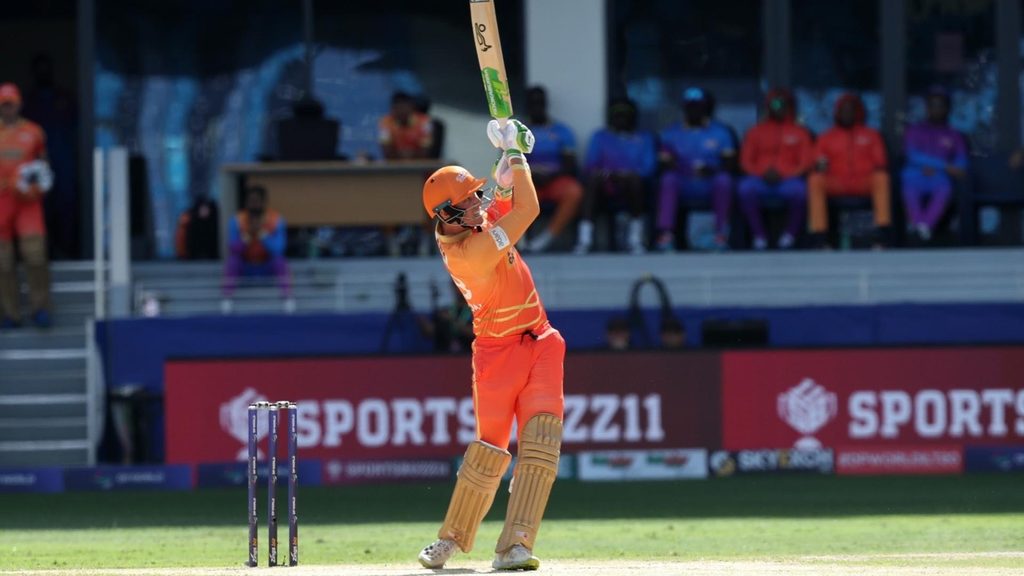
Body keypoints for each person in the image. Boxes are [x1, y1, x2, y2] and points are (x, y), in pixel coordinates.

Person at [417, 119, 565, 571]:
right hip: (497, 353)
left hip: (540, 341)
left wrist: (501, 171)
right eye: (469, 201)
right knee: (491, 448)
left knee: (540, 443)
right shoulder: (471, 253)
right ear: (447, 216)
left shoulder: (471, 225)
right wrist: (517, 156)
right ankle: (451, 540)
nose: (478, 204)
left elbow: (502, 205)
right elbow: (528, 211)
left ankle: (516, 545)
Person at [655, 87, 737, 251]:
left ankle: (721, 234)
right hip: (684, 182)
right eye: (690, 106)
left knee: (724, 180)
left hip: (709, 182)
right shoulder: (671, 132)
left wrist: (712, 169)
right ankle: (666, 235)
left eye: (698, 106)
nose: (694, 110)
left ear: (706, 107)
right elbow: (663, 162)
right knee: (668, 179)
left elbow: (730, 163)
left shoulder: (721, 132)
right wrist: (676, 165)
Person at [0, 82, 53, 329]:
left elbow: (44, 166)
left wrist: (39, 183)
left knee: (35, 256)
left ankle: (40, 309)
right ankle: (10, 314)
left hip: (27, 202)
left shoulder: (34, 132)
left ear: (19, 104)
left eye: (11, 104)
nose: (7, 108)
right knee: (3, 261)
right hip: (2, 201)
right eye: (3, 104)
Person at [808, 93, 891, 248]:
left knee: (881, 178)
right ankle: (820, 236)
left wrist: (867, 170)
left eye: (850, 110)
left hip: (863, 183)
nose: (847, 113)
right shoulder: (826, 137)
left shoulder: (871, 135)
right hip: (837, 183)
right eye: (843, 110)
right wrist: (820, 166)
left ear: (857, 112)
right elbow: (817, 161)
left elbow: (880, 161)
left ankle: (882, 232)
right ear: (837, 113)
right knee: (815, 179)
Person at [575, 98, 657, 254]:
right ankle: (584, 240)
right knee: (592, 180)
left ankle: (636, 239)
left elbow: (649, 168)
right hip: (607, 184)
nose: (622, 119)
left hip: (634, 186)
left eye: (626, 115)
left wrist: (627, 175)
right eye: (618, 115)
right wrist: (610, 174)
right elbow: (590, 165)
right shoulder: (600, 137)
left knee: (635, 181)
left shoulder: (645, 138)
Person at [737, 88, 814, 250]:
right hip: (760, 180)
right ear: (768, 106)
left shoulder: (800, 132)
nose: (778, 108)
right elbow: (745, 161)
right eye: (775, 104)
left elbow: (806, 162)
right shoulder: (755, 131)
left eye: (782, 104)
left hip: (788, 181)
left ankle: (790, 235)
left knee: (801, 191)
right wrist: (762, 173)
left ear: (789, 106)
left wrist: (783, 174)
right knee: (744, 188)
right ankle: (759, 236)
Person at [901, 86, 967, 243]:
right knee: (909, 184)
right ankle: (919, 225)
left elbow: (961, 161)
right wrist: (943, 165)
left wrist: (955, 168)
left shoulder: (954, 134)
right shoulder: (914, 130)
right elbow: (912, 155)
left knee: (944, 187)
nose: (936, 109)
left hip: (939, 177)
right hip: (916, 173)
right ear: (927, 107)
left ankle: (924, 227)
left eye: (940, 105)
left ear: (947, 108)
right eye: (932, 105)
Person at [521, 86, 583, 252]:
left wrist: (551, 175)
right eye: (532, 103)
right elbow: (508, 164)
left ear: (545, 104)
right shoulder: (517, 131)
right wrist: (530, 174)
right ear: (527, 105)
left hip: (555, 180)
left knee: (574, 191)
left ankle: (545, 239)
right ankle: (520, 240)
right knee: (508, 192)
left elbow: (571, 164)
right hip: (528, 182)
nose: (537, 106)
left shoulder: (562, 131)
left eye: (540, 102)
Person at [222, 186, 292, 312]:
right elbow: (233, 249)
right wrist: (248, 236)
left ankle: (287, 299)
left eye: (257, 201)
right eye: (251, 201)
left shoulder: (276, 219)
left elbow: (279, 249)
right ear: (246, 203)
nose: (254, 205)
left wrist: (262, 234)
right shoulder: (236, 220)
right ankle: (227, 299)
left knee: (280, 261)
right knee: (232, 261)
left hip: (266, 265)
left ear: (264, 203)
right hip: (246, 266)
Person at [378, 91, 434, 160]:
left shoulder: (425, 122)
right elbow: (387, 151)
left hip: (419, 166)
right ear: (393, 109)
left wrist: (408, 155)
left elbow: (425, 151)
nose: (402, 111)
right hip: (396, 165)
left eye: (404, 107)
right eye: (398, 108)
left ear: (411, 107)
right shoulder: (385, 122)